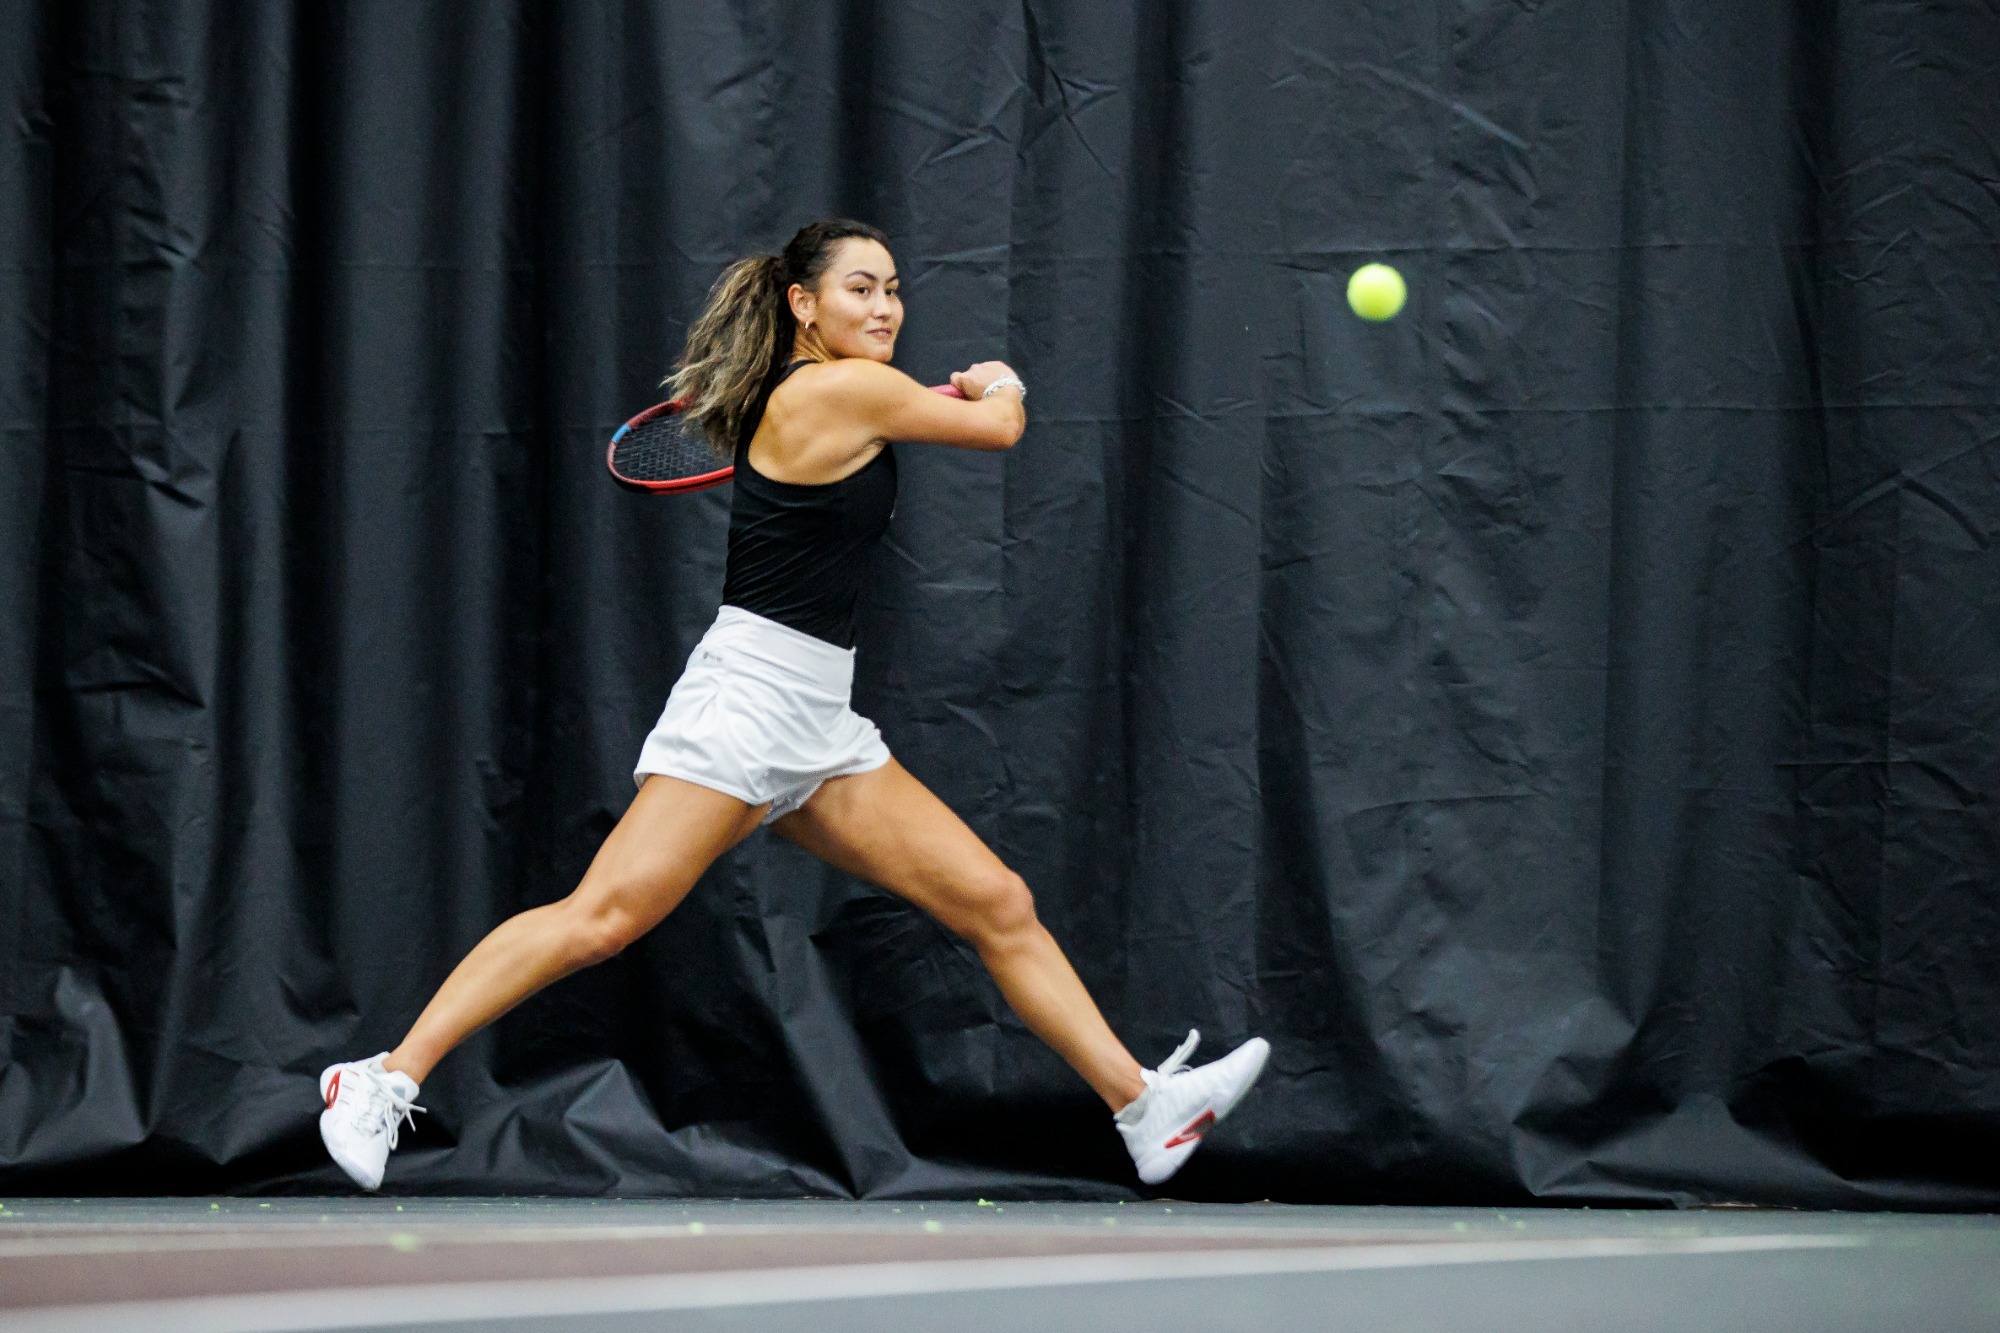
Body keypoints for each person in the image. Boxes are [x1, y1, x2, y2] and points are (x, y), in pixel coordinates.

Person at [316, 218, 1268, 1192]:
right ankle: (380, 1078)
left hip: (819, 721)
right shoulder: (841, 389)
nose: (885, 306)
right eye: (860, 288)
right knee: (599, 918)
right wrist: (1000, 381)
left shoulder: (841, 393)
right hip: (745, 706)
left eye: (893, 288)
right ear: (801, 304)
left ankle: (1145, 1108)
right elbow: (998, 428)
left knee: (994, 903)